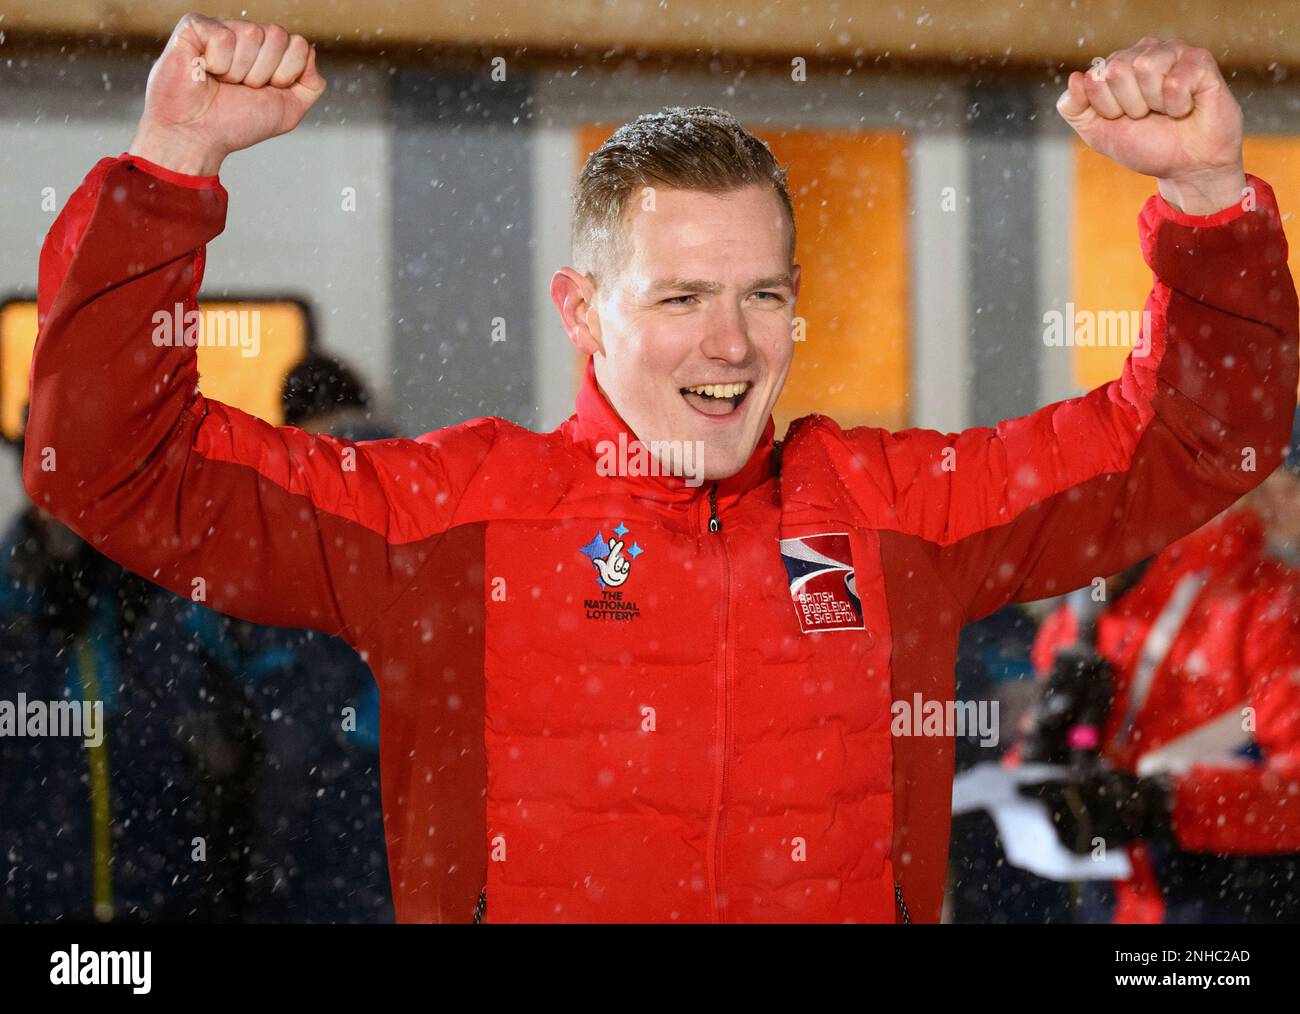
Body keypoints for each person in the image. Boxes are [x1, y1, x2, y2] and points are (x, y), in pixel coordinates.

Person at [23, 15, 1298, 923]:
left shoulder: (890, 513)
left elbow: (1193, 447)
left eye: (760, 295)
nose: (729, 344)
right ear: (581, 311)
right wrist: (170, 170)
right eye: (679, 296)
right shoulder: (450, 519)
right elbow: (115, 468)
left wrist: (1204, 201)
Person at [1020, 425, 1300, 923]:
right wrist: (1043, 760)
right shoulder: (1079, 621)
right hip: (1118, 903)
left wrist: (1162, 806)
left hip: (1235, 900)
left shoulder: (1269, 605)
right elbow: (1053, 778)